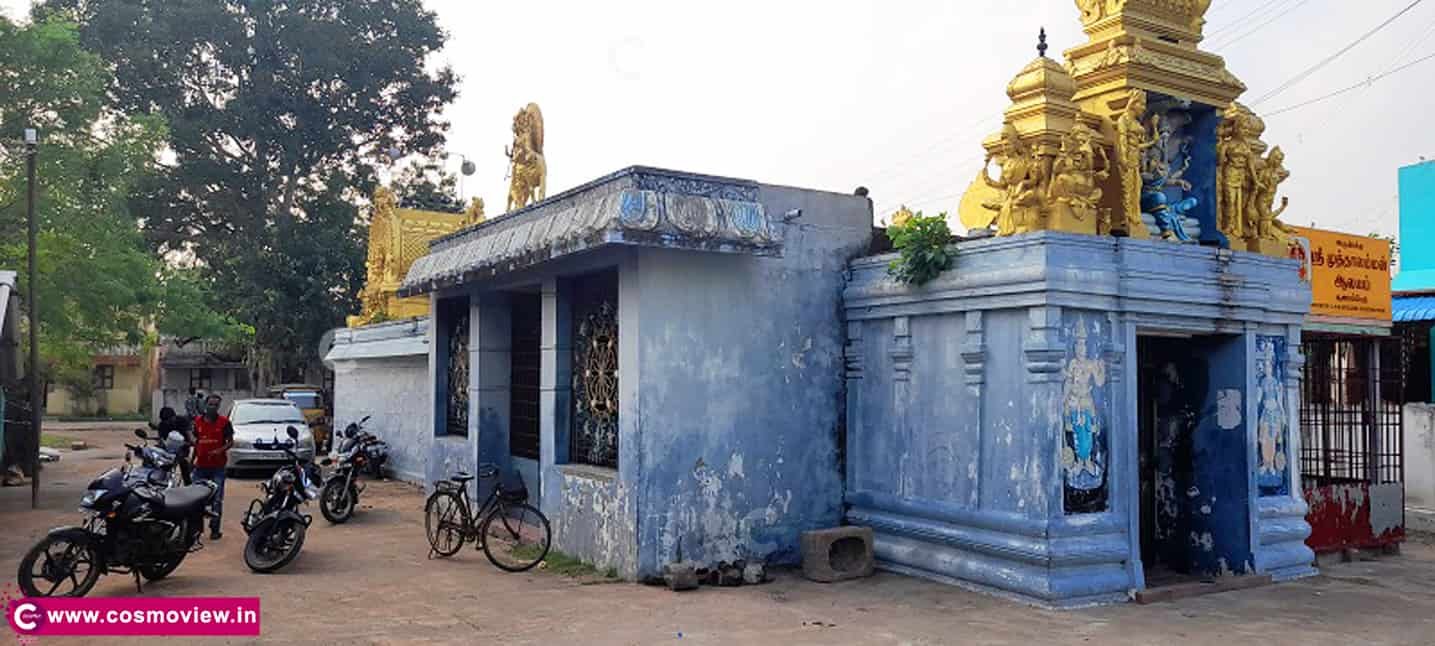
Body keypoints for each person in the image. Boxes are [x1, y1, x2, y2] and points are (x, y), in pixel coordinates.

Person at [190, 394, 234, 540]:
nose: (212, 407)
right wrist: (192, 461)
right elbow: (196, 442)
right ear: (205, 404)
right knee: (195, 499)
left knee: (217, 499)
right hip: (200, 467)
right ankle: (195, 529)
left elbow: (230, 442)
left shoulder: (224, 423)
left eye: (216, 405)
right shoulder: (197, 422)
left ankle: (215, 529)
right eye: (210, 404)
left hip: (218, 468)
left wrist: (219, 450)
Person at [149, 406, 195, 485]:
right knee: (162, 464)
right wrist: (161, 447)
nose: (168, 422)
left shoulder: (183, 421)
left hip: (183, 447)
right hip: (168, 449)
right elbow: (161, 440)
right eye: (165, 421)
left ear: (174, 417)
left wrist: (186, 443)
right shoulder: (162, 425)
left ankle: (188, 485)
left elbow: (190, 437)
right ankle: (161, 483)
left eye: (169, 420)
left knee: (184, 466)